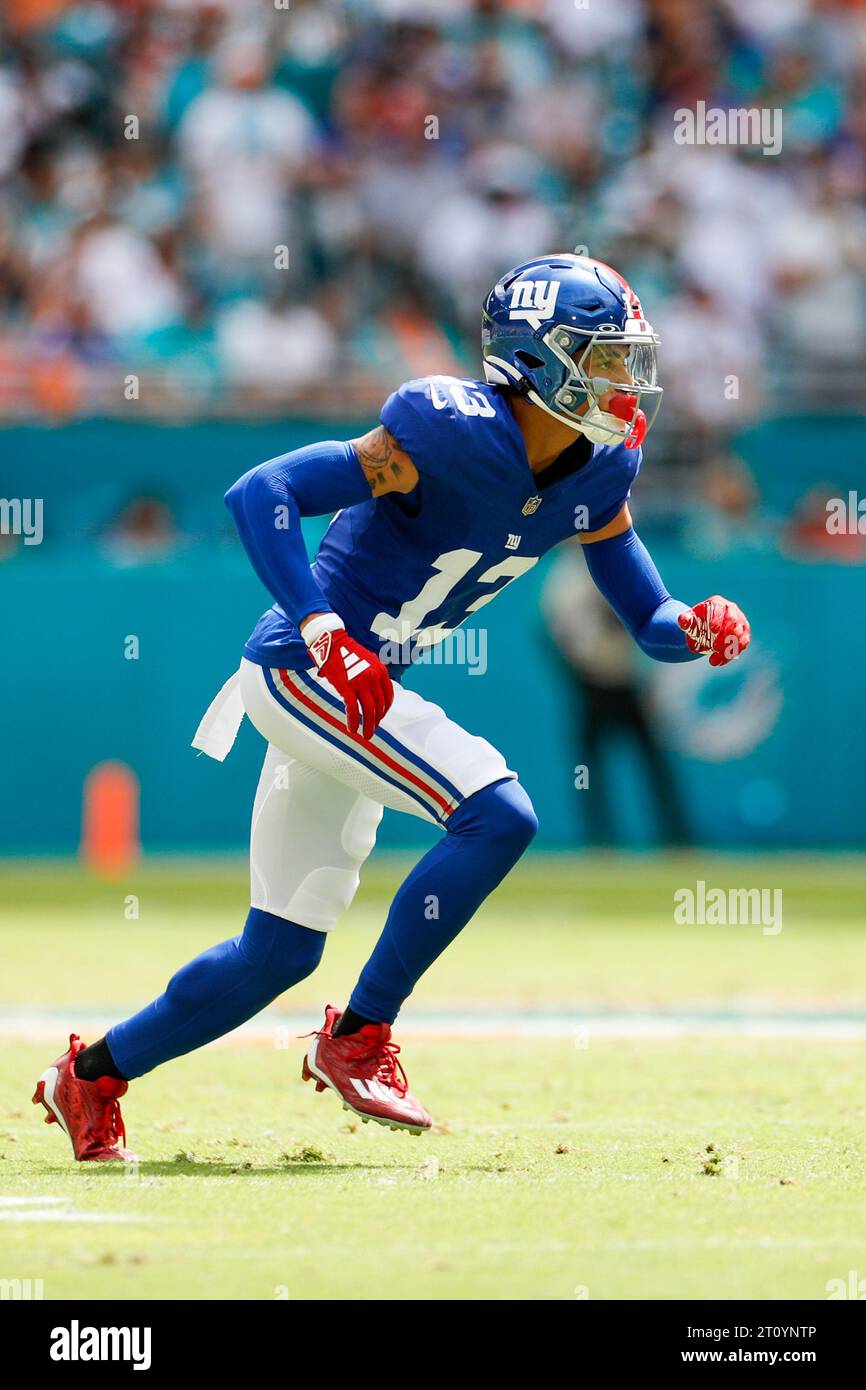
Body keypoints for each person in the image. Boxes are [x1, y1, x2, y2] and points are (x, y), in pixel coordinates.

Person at [32, 254, 750, 1159]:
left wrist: (695, 627)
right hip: (307, 669)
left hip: (355, 687)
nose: (623, 380)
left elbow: (646, 618)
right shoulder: (444, 430)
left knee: (278, 952)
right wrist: (326, 631)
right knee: (498, 813)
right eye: (603, 358)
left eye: (625, 359)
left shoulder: (599, 469)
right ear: (537, 358)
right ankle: (360, 1036)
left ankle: (89, 1076)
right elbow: (262, 492)